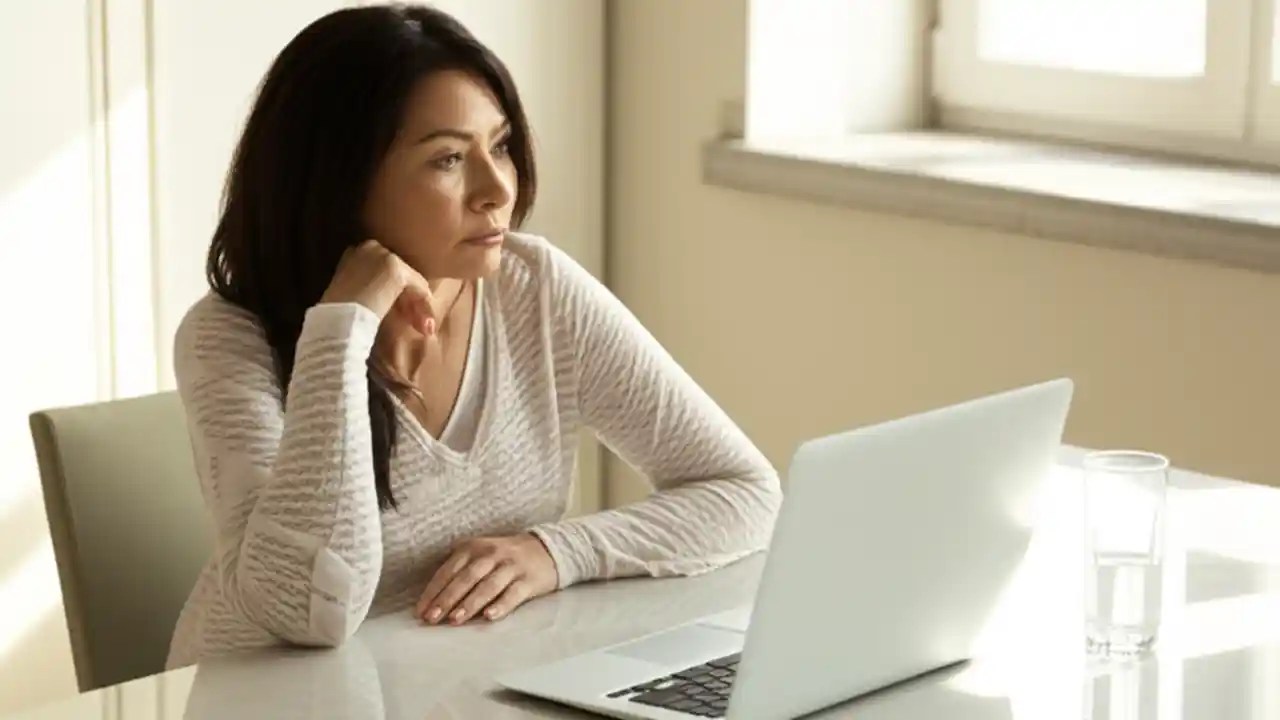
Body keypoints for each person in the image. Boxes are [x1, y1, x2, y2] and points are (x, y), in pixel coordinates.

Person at [167, 3, 781, 669]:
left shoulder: (534, 290)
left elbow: (744, 491)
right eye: (449, 159)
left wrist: (555, 553)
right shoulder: (228, 339)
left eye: (503, 146)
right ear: (340, 180)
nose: (497, 189)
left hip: (456, 689)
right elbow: (305, 611)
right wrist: (340, 333)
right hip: (269, 700)